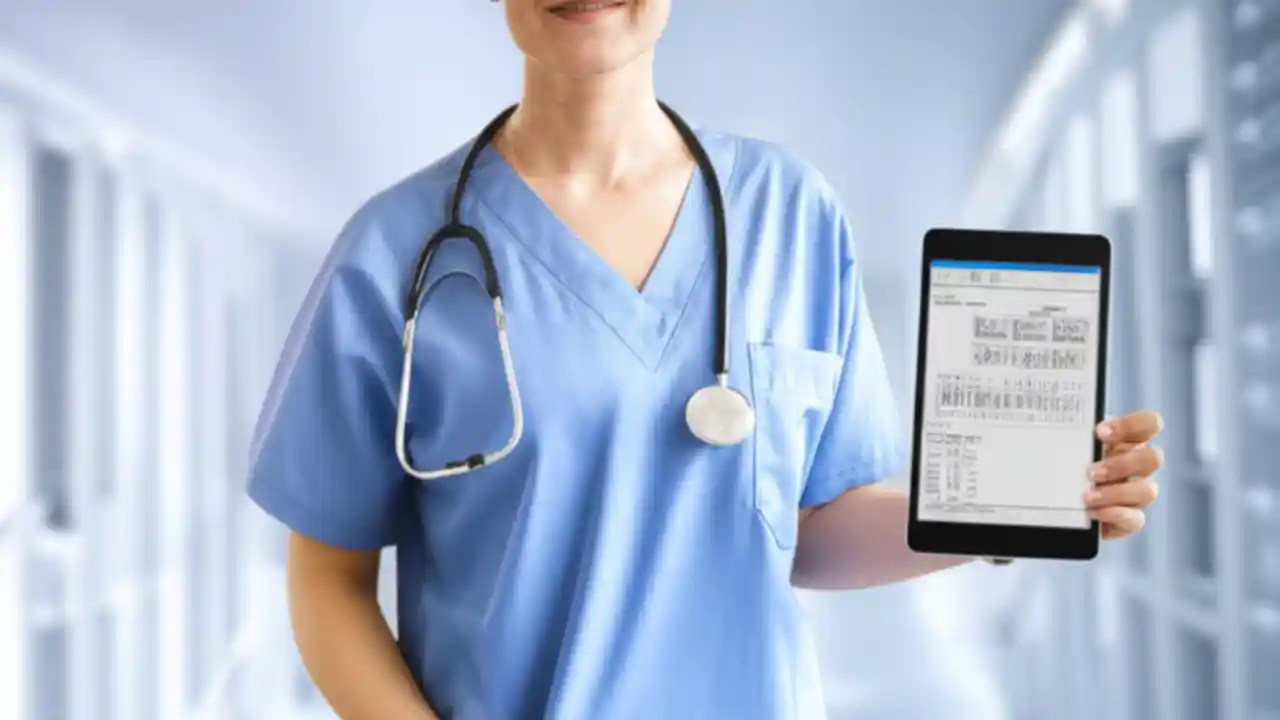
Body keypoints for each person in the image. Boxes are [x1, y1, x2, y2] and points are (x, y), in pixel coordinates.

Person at [247, 1, 1164, 718]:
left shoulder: (793, 213)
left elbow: (805, 529)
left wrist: (1006, 510)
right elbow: (327, 578)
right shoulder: (397, 249)